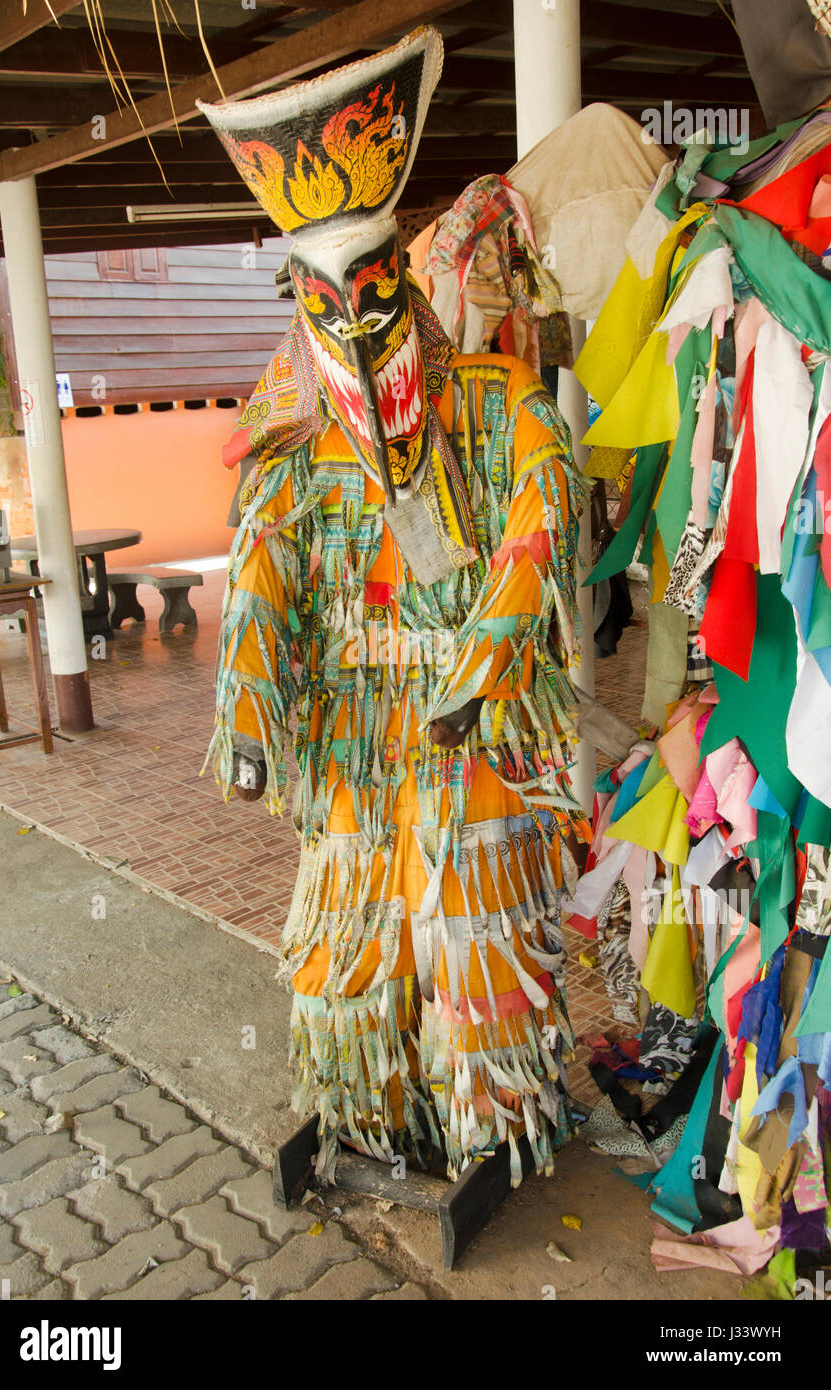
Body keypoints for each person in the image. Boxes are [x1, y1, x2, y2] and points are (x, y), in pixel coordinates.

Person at [200, 26, 589, 1185]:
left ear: (406, 301)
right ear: (303, 324)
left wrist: (485, 666)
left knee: (471, 916)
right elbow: (263, 572)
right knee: (357, 915)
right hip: (358, 734)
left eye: (378, 318)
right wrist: (251, 712)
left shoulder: (493, 400)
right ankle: (370, 1106)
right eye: (333, 326)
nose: (365, 357)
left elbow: (542, 501)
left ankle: (488, 1121)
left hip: (469, 717)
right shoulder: (293, 450)